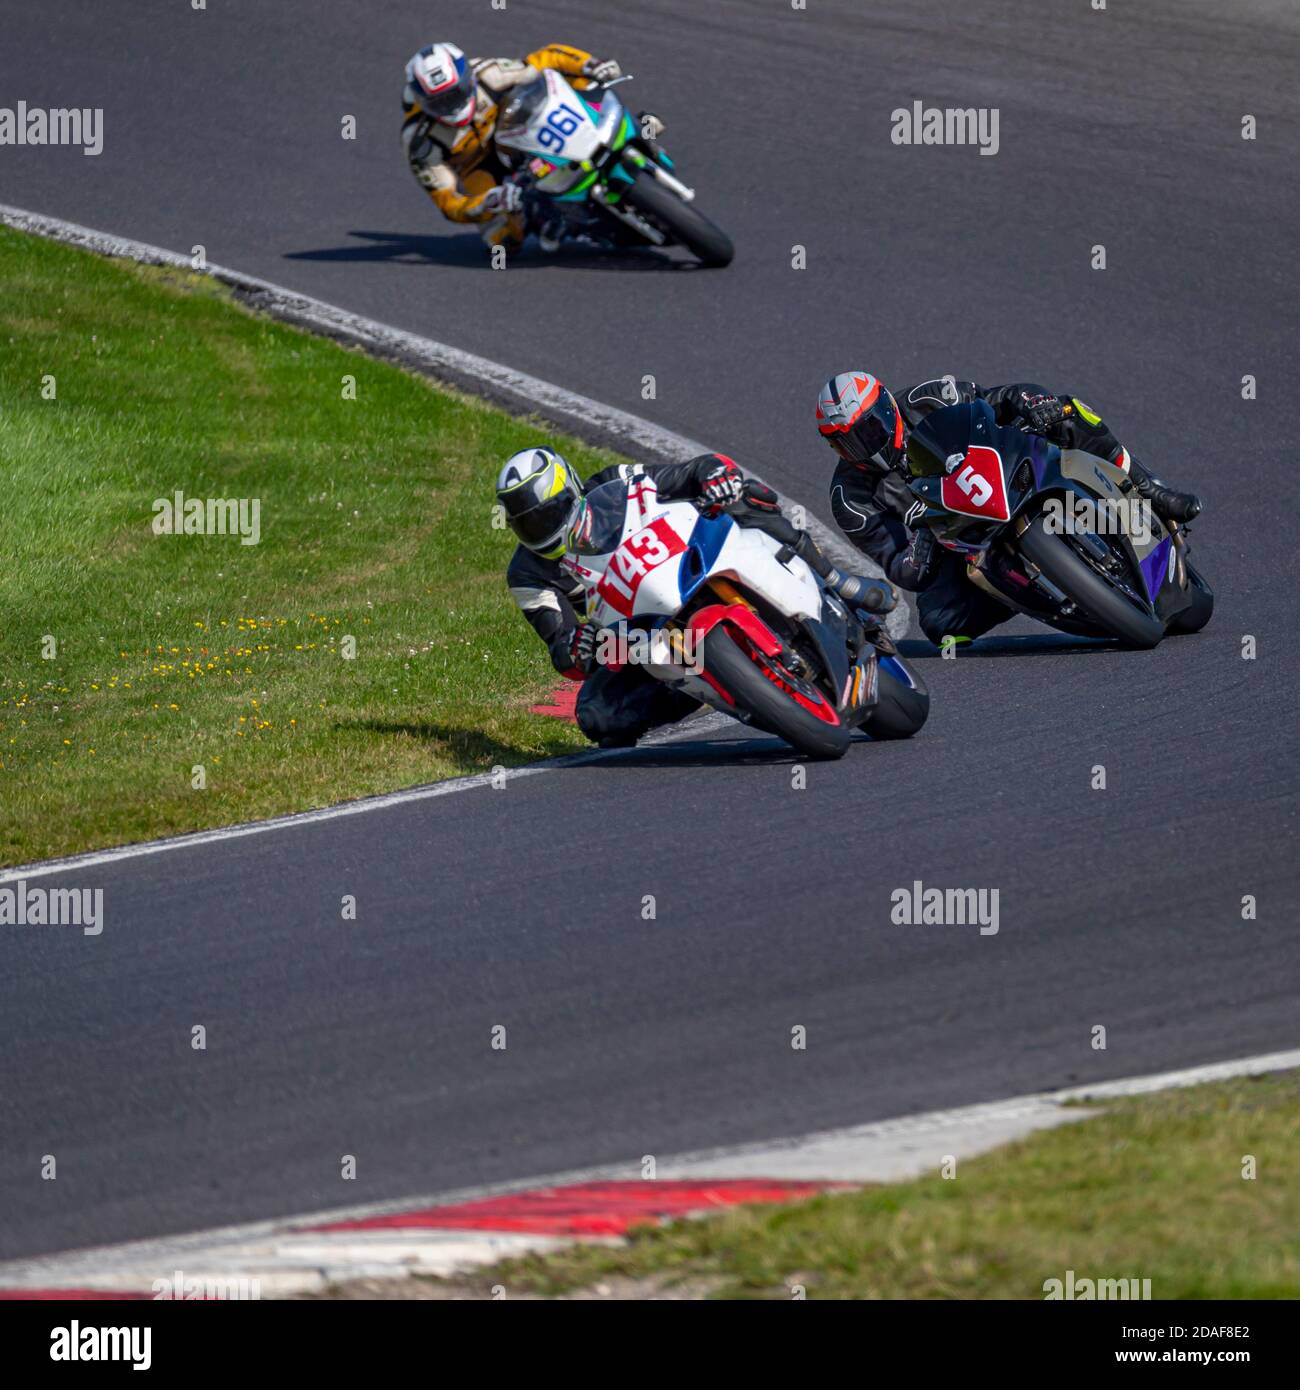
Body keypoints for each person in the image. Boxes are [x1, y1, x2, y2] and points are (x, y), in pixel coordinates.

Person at [496, 447, 894, 746]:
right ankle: (713, 689)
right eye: (529, 524)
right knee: (597, 715)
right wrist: (578, 647)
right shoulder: (527, 575)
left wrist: (712, 473)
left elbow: (680, 475)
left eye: (548, 514)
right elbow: (560, 645)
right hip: (636, 634)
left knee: (743, 496)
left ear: (572, 489)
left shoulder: (612, 484)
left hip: (685, 559)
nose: (542, 528)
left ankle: (835, 579)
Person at [816, 371, 1203, 646]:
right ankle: (1046, 593)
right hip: (956, 539)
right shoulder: (851, 500)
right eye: (848, 443)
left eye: (870, 429)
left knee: (1069, 411)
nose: (865, 446)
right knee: (941, 624)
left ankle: (1150, 488)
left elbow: (997, 400)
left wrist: (1033, 403)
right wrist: (922, 540)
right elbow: (901, 569)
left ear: (886, 407)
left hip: (1005, 471)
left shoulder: (926, 398)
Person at [402, 41, 626, 253]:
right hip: (477, 167)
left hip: (515, 129)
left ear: (467, 79)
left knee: (579, 82)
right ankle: (542, 218)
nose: (452, 107)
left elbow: (547, 58)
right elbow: (449, 205)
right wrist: (486, 203)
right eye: (439, 103)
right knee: (503, 241)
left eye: (456, 93)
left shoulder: (489, 74)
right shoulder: (420, 141)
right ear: (422, 102)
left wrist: (590, 64)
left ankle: (611, 127)